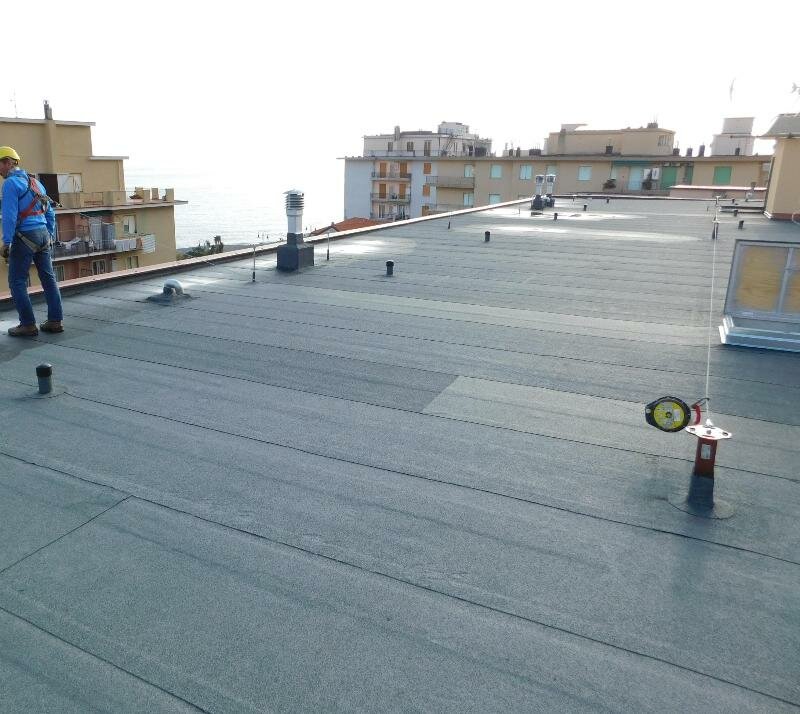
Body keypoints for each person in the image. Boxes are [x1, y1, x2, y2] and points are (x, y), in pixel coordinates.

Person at [1, 146, 63, 336]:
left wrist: (6, 242)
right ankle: (55, 321)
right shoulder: (35, 183)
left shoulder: (10, 184)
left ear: (8, 162)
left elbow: (9, 216)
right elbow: (49, 211)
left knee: (17, 281)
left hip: (25, 236)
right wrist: (49, 233)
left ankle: (28, 324)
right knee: (48, 279)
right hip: (42, 234)